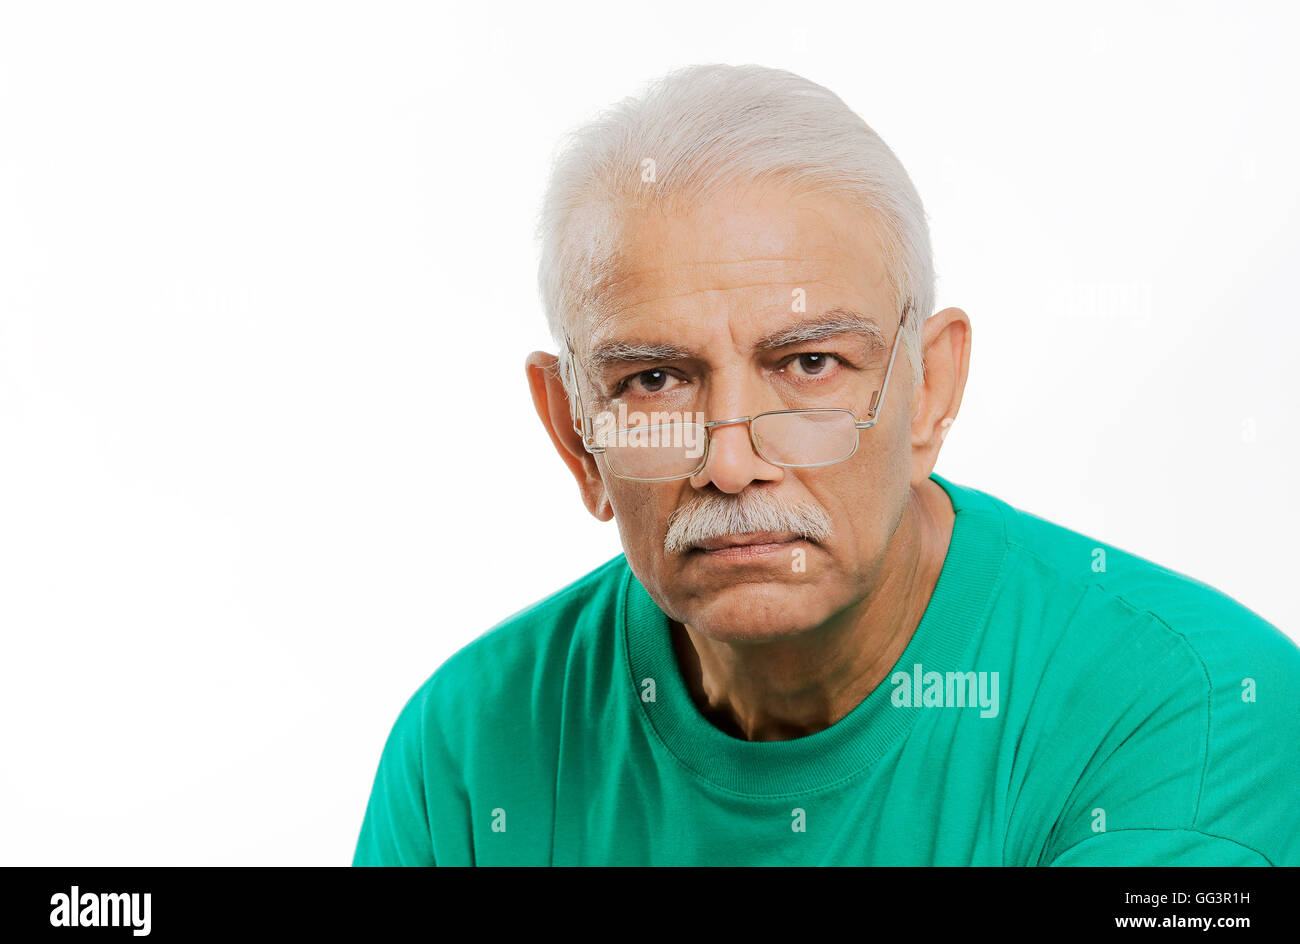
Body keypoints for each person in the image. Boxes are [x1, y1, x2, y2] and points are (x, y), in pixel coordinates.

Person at [353, 63, 1300, 866]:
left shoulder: (1193, 712)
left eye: (809, 365)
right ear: (575, 435)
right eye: (653, 381)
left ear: (928, 391)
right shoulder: (468, 755)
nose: (731, 462)